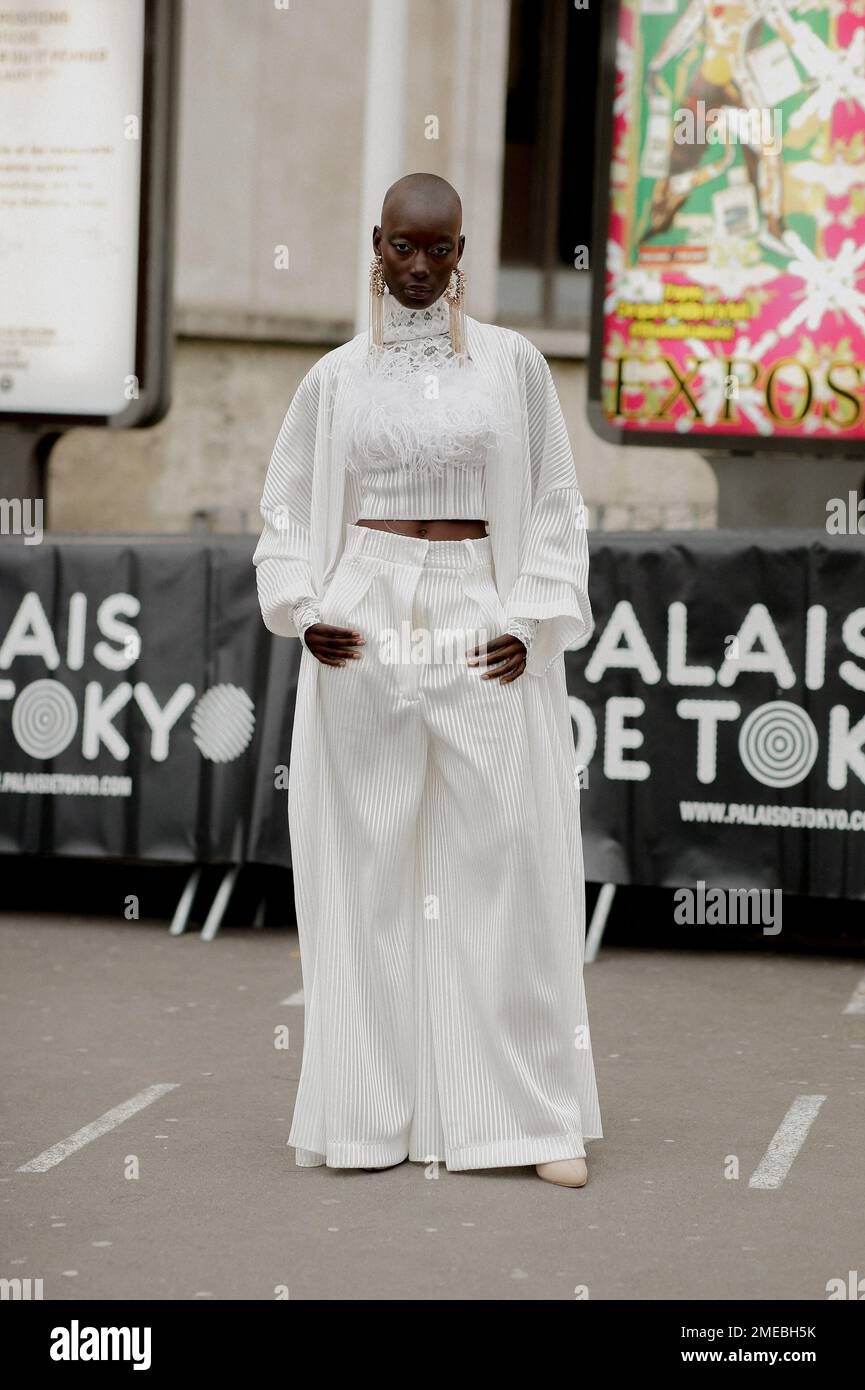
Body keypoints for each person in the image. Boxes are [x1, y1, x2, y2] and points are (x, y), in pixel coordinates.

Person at [253, 172, 602, 1188]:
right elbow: (284, 509)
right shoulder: (333, 379)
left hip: (478, 613)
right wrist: (304, 605)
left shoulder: (513, 365)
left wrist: (529, 617)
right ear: (376, 244)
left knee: (503, 856)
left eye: (435, 249)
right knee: (363, 871)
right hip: (361, 615)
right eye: (400, 247)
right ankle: (368, 1115)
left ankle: (525, 1122)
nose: (415, 266)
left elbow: (553, 504)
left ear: (460, 252)